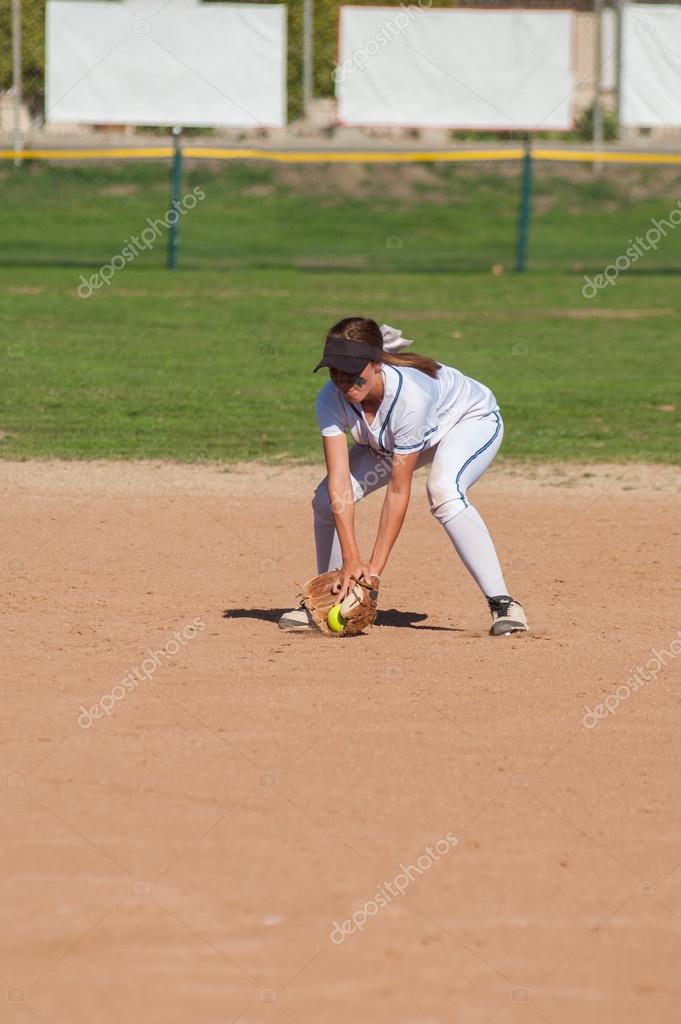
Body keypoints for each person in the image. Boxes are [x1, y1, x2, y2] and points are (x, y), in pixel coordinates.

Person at [278, 317, 528, 636]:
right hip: (397, 440)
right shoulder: (330, 399)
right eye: (334, 371)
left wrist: (373, 572)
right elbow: (339, 481)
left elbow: (398, 489)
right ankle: (333, 593)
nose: (343, 380)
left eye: (352, 371)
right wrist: (351, 559)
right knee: (326, 499)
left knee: (444, 492)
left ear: (376, 364)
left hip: (468, 421)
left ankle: (503, 603)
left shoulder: (410, 397)